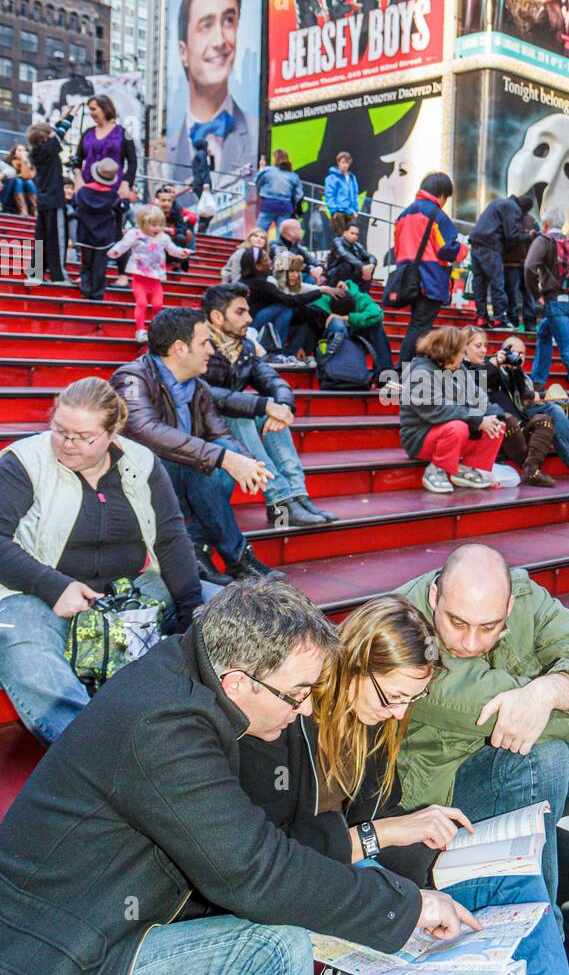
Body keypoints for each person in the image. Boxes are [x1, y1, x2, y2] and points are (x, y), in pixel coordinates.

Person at [0, 578, 475, 975]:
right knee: (268, 955)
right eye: (298, 693)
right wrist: (407, 905)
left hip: (116, 936)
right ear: (238, 683)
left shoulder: (185, 682)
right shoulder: (165, 728)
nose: (308, 710)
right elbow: (256, 871)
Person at [290, 595, 569, 975]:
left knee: (517, 879)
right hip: (321, 878)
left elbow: (380, 816)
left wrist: (440, 855)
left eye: (413, 698)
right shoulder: (293, 717)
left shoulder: (375, 720)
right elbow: (285, 852)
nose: (402, 712)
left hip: (367, 862)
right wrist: (389, 838)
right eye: (395, 696)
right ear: (354, 663)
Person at [395, 544, 569, 912]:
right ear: (436, 595)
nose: (471, 642)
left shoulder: (527, 598)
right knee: (537, 754)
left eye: (488, 627)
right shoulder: (402, 625)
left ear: (508, 607)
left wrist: (548, 690)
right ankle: (543, 929)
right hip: (438, 791)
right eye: (457, 623)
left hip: (499, 759)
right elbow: (491, 707)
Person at [0, 378, 209, 744]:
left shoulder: (141, 463)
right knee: (26, 652)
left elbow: (171, 537)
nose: (67, 444)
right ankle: (95, 752)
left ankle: (204, 725)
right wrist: (53, 585)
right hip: (34, 588)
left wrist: (192, 609)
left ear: (113, 431)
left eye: (83, 437)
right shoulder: (24, 461)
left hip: (129, 584)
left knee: (224, 609)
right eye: (60, 431)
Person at [111, 307, 274, 586]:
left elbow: (218, 432)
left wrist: (247, 463)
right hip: (136, 485)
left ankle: (196, 549)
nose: (211, 350)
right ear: (179, 348)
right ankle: (239, 559)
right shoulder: (131, 378)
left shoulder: (197, 387)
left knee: (217, 462)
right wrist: (225, 459)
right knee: (207, 464)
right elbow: (147, 432)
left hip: (181, 486)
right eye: (203, 342)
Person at [203, 283, 335, 528]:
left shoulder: (245, 347)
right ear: (217, 317)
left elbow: (272, 381)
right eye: (240, 312)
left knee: (270, 407)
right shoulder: (199, 345)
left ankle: (297, 495)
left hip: (228, 420)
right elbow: (205, 394)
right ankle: (280, 500)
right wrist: (261, 405)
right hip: (199, 427)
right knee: (243, 415)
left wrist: (282, 407)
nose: (250, 318)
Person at [166, 0, 258, 181]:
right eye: (206, 25)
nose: (219, 40)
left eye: (228, 20)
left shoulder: (256, 134)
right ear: (183, 51)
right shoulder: (163, 156)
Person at [400, 327, 505, 494]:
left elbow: (478, 397)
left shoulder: (458, 368)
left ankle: (466, 468)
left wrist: (496, 414)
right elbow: (437, 410)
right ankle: (436, 470)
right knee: (458, 426)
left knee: (495, 424)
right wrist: (477, 420)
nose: (463, 357)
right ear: (448, 352)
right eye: (461, 352)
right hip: (420, 437)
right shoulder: (420, 372)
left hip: (447, 432)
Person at [389, 172, 469, 366]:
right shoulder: (437, 215)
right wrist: (464, 249)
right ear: (441, 195)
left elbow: (397, 247)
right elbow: (446, 249)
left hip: (407, 276)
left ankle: (410, 367)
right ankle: (404, 368)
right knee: (420, 326)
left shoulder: (403, 214)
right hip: (430, 279)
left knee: (416, 323)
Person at [461, 328, 556, 487]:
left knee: (544, 420)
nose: (484, 350)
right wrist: (496, 361)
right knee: (507, 419)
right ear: (464, 347)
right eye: (478, 346)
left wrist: (514, 365)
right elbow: (476, 380)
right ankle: (530, 468)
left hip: (516, 430)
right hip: (495, 429)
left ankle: (530, 470)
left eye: (485, 345)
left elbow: (521, 389)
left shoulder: (491, 367)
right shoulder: (462, 369)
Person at [523, 206, 569, 400]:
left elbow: (529, 267)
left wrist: (536, 294)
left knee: (568, 348)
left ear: (545, 224)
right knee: (544, 332)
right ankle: (538, 380)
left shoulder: (543, 240)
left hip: (555, 302)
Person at [73, 95, 137, 289]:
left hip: (113, 190)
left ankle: (123, 274)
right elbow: (77, 159)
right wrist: (78, 180)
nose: (91, 113)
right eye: (90, 109)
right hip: (88, 190)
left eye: (94, 109)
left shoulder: (123, 133)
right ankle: (86, 274)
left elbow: (132, 162)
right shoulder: (87, 133)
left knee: (116, 229)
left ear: (105, 108)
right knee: (85, 230)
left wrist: (126, 183)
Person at [108, 204, 190, 342]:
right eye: (153, 225)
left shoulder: (163, 237)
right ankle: (140, 330)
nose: (157, 228)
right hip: (139, 276)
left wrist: (182, 252)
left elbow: (172, 249)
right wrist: (116, 251)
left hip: (155, 277)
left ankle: (156, 330)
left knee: (158, 305)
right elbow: (124, 244)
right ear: (143, 223)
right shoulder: (135, 234)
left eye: (159, 225)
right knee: (142, 303)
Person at [240, 247, 331, 358]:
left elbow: (306, 288)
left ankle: (285, 353)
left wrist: (323, 290)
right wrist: (320, 292)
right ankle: (277, 352)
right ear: (258, 266)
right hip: (252, 324)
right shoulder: (260, 282)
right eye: (266, 259)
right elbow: (288, 300)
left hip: (262, 319)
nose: (270, 261)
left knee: (301, 314)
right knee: (286, 307)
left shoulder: (258, 279)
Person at [470, 193, 536, 328]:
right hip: (490, 245)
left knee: (480, 283)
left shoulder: (499, 203)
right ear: (525, 209)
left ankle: (481, 317)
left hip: (475, 244)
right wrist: (528, 236)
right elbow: (512, 236)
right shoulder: (513, 209)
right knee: (497, 282)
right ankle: (499, 318)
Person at [310, 279, 393, 374]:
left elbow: (377, 315)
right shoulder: (324, 299)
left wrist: (348, 318)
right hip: (331, 337)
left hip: (357, 334)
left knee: (376, 326)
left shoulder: (360, 298)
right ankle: (340, 370)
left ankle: (386, 373)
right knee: (337, 324)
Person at [25, 119, 73, 284]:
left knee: (41, 237)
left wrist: (62, 120)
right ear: (45, 137)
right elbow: (59, 132)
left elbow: (55, 132)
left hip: (44, 201)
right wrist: (70, 116)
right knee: (57, 238)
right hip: (55, 200)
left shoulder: (36, 152)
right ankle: (58, 275)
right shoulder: (50, 148)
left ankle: (35, 273)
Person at [73, 156, 123, 301]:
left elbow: (76, 206)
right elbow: (119, 212)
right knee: (100, 266)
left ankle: (85, 289)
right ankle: (97, 293)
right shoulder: (113, 196)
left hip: (85, 234)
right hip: (104, 236)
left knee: (86, 264)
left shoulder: (82, 192)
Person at [503, 206, 537, 331]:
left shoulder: (511, 218)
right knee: (521, 295)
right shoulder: (531, 220)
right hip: (514, 263)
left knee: (517, 295)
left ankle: (516, 322)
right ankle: (527, 323)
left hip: (517, 263)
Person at [256, 149, 305, 233]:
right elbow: (299, 195)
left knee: (260, 231)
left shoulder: (268, 171)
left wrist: (261, 169)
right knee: (282, 233)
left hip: (269, 204)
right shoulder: (293, 176)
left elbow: (258, 181)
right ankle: (281, 246)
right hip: (286, 206)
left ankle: (257, 245)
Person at [269, 216, 324, 283]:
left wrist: (319, 268)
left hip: (295, 281)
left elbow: (312, 260)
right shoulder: (275, 245)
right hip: (279, 282)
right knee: (308, 278)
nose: (301, 231)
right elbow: (289, 260)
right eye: (299, 228)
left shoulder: (296, 246)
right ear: (290, 232)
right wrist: (310, 270)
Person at [324, 220, 376, 290]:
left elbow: (370, 256)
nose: (354, 236)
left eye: (356, 234)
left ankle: (364, 294)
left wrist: (371, 265)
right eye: (352, 233)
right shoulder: (337, 241)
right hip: (335, 274)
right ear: (345, 233)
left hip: (352, 273)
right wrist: (362, 266)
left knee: (369, 266)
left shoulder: (357, 245)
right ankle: (343, 291)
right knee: (346, 265)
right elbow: (344, 254)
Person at [155, 183, 195, 272]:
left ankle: (178, 264)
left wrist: (173, 231)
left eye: (169, 200)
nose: (167, 203)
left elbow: (182, 227)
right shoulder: (151, 210)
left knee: (184, 235)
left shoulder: (177, 207)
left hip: (170, 237)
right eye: (164, 200)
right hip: (153, 240)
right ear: (158, 200)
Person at [324, 151, 361, 233]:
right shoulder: (332, 178)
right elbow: (329, 195)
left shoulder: (352, 177)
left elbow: (355, 195)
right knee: (341, 236)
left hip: (351, 211)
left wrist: (355, 210)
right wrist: (334, 211)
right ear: (338, 162)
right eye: (343, 162)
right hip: (339, 211)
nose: (345, 165)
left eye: (347, 163)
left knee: (352, 235)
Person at [2, 143, 37, 216]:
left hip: (26, 192)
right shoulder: (7, 163)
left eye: (24, 150)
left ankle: (35, 207)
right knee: (18, 181)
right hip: (8, 193)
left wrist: (25, 162)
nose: (22, 152)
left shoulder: (30, 164)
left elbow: (27, 176)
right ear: (14, 153)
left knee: (29, 182)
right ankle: (23, 208)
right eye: (19, 150)